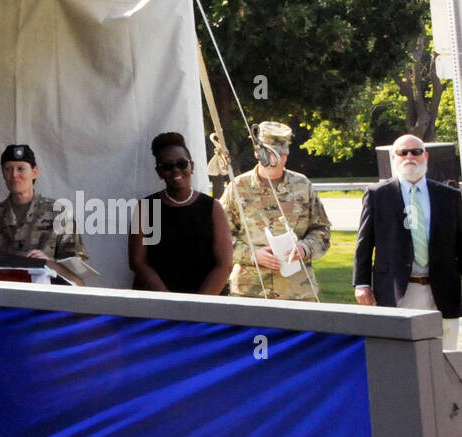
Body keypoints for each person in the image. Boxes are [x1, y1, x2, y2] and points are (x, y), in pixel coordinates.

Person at [354, 134, 462, 348]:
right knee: (400, 356)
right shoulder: (377, 195)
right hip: (398, 291)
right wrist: (362, 283)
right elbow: (364, 243)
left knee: (445, 359)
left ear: (426, 156)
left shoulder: (450, 196)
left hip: (443, 290)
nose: (409, 156)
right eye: (403, 152)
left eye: (416, 152)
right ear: (394, 158)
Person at [221, 121, 330, 301]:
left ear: (286, 156)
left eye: (279, 154)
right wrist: (252, 255)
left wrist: (304, 248)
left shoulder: (302, 186)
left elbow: (322, 231)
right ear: (257, 153)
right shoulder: (238, 187)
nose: (273, 160)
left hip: (296, 291)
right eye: (267, 154)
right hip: (250, 291)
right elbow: (220, 237)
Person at [129, 132, 232, 295]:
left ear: (191, 166)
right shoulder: (145, 208)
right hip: (158, 302)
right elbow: (137, 262)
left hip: (205, 302)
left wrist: (199, 304)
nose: (176, 170)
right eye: (167, 166)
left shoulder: (213, 207)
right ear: (159, 172)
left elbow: (224, 264)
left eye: (182, 164)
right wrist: (168, 300)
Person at [0, 143, 88, 283]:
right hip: (6, 295)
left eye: (21, 169)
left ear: (34, 172)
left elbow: (78, 276)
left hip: (49, 296)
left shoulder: (58, 213)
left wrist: (48, 263)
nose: (14, 175)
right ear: (3, 173)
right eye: (8, 169)